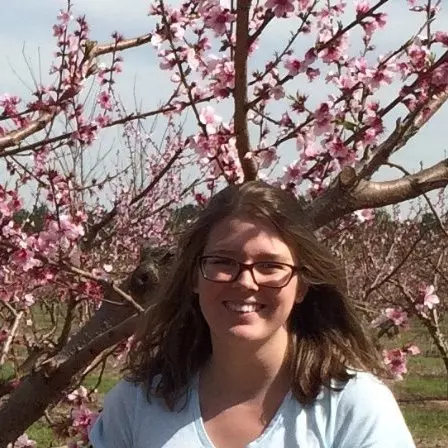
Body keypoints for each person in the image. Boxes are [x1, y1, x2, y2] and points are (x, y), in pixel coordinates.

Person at [89, 181, 415, 448]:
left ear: (301, 285)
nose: (245, 282)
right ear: (193, 278)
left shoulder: (353, 407)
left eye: (270, 266)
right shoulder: (137, 405)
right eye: (223, 262)